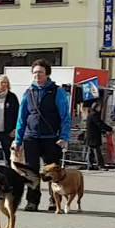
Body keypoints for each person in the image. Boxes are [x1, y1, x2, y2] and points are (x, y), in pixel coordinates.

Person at [13, 59, 72, 211]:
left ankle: (54, 200)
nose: (37, 75)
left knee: (53, 172)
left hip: (52, 138)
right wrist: (18, 140)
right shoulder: (28, 92)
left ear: (47, 74)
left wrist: (64, 137)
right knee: (31, 171)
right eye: (34, 72)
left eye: (40, 72)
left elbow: (65, 116)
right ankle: (32, 201)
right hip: (31, 137)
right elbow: (22, 118)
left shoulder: (57, 92)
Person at [81, 104, 109, 170]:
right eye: (99, 107)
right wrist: (109, 129)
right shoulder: (94, 115)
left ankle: (90, 165)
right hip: (94, 136)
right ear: (96, 107)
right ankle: (100, 165)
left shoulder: (90, 114)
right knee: (97, 151)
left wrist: (104, 131)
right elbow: (99, 124)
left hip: (90, 135)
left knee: (90, 151)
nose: (100, 108)